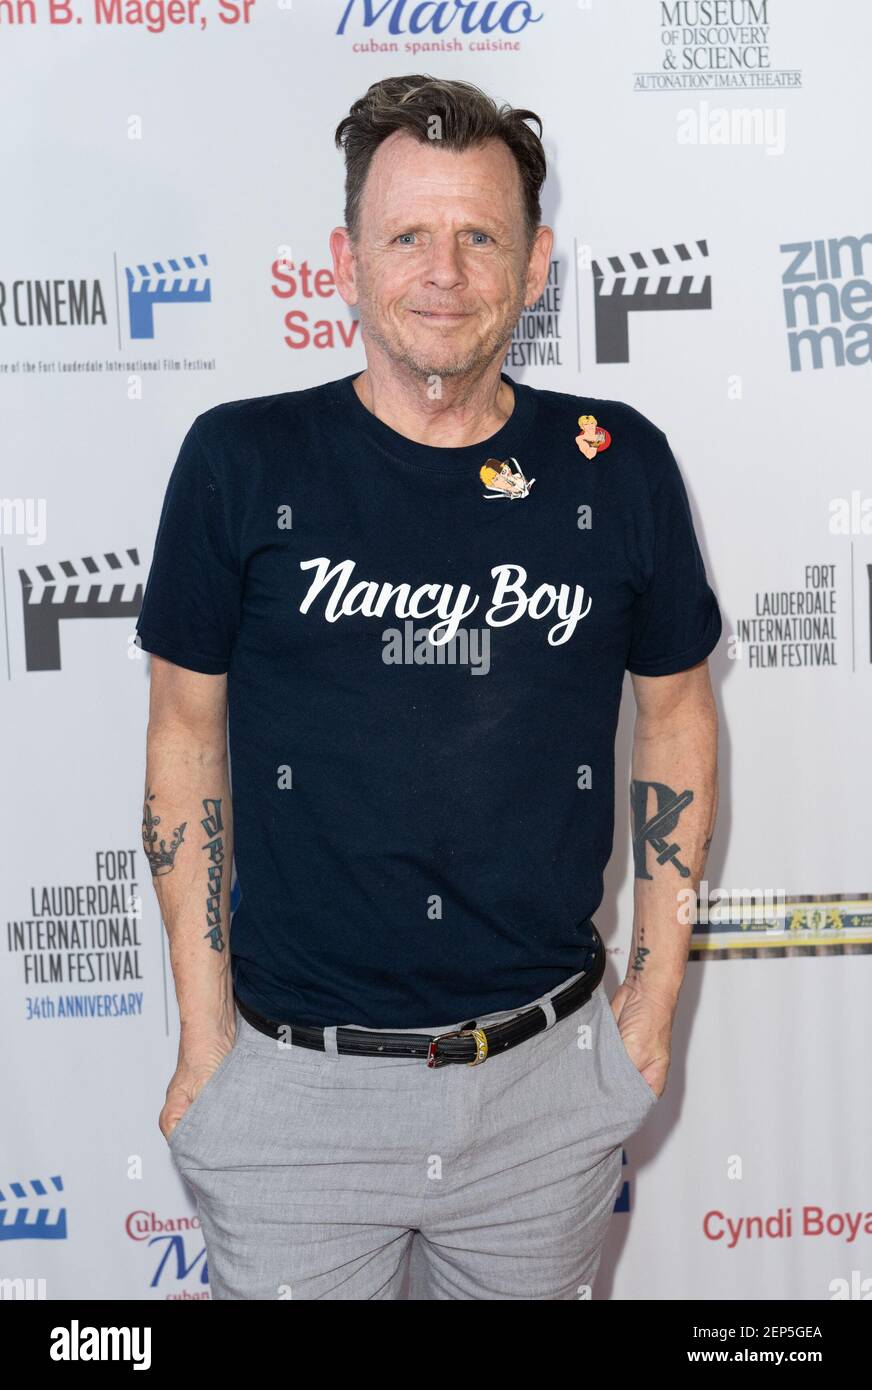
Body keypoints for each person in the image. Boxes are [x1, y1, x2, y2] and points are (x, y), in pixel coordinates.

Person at [135, 74, 721, 1301]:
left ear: (537, 259)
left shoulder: (615, 468)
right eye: (406, 234)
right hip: (293, 1093)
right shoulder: (240, 461)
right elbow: (184, 733)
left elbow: (674, 714)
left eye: (478, 236)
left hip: (545, 1089)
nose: (441, 270)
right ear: (347, 260)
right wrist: (203, 1037)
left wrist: (652, 1004)